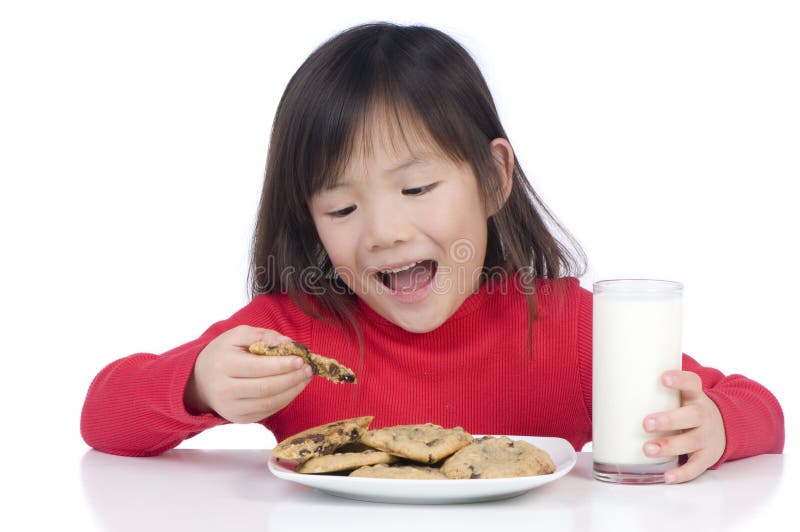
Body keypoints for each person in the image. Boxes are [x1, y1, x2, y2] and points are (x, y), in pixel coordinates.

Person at [80, 22, 783, 484]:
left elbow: (760, 408)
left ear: (493, 177)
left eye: (416, 186)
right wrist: (199, 383)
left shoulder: (570, 327)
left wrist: (713, 426)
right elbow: (102, 416)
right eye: (342, 207)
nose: (382, 230)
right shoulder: (290, 335)